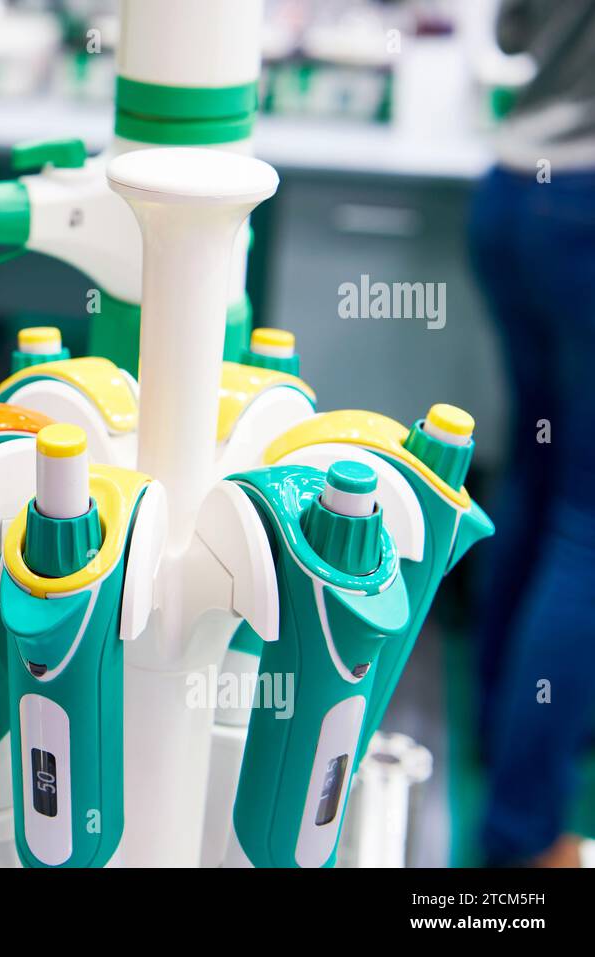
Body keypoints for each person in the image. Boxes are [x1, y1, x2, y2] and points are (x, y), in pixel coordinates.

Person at [470, 0, 595, 868]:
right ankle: (523, 837)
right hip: (586, 208)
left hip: (517, 192)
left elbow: (514, 33)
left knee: (542, 478)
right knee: (588, 529)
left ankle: (498, 725)